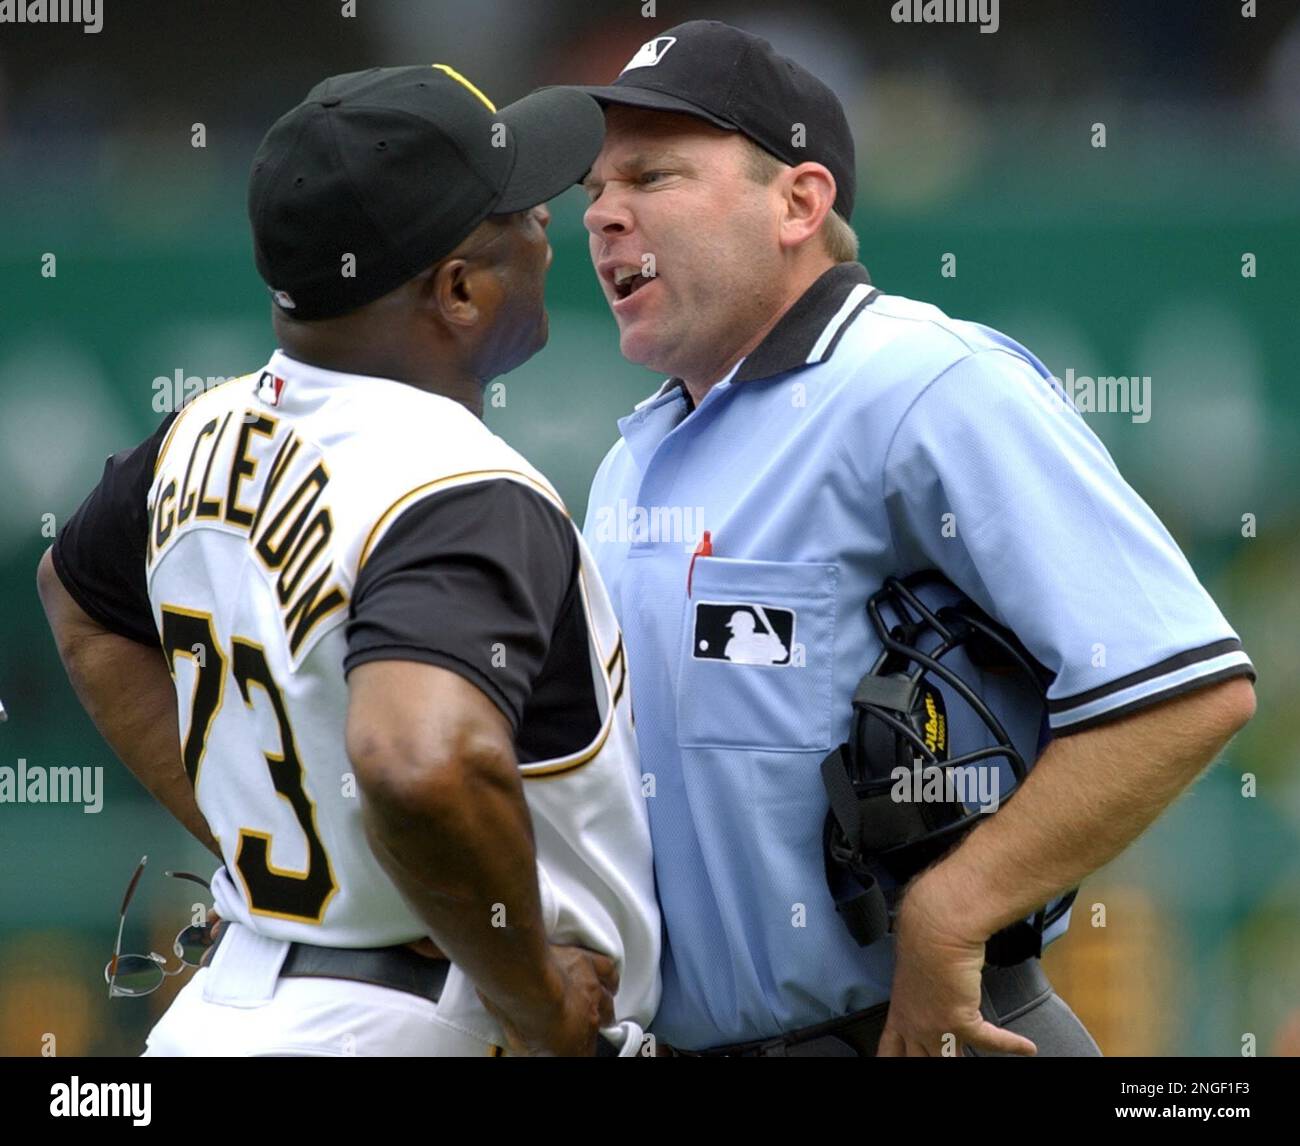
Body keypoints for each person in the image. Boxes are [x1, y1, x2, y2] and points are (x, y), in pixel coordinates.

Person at [572, 20, 1256, 1057]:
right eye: (590, 192)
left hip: (926, 1033)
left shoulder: (922, 382)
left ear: (798, 203)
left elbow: (1185, 688)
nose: (605, 215)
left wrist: (954, 911)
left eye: (651, 175)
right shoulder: (637, 457)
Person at [37, 64, 659, 1057]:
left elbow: (72, 598)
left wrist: (290, 849)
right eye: (516, 212)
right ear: (457, 288)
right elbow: (418, 763)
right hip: (417, 1021)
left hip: (227, 1014)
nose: (547, 221)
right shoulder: (457, 484)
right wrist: (539, 998)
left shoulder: (195, 433)